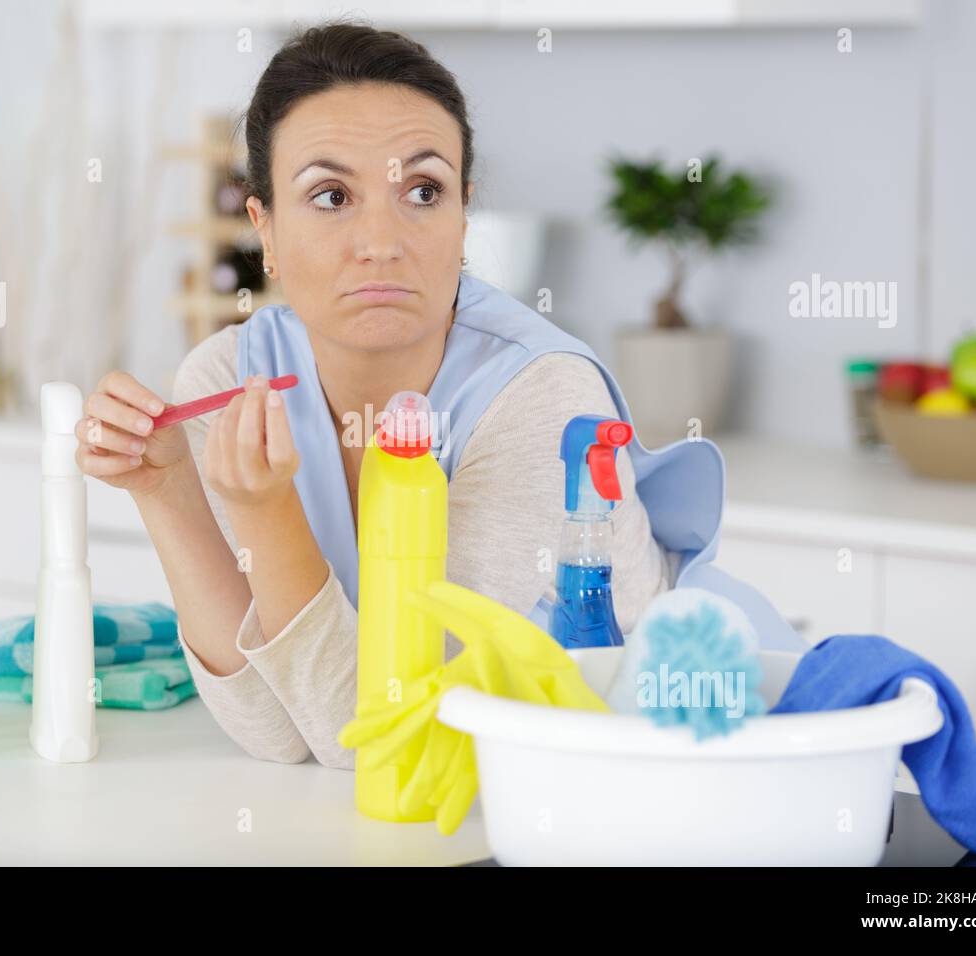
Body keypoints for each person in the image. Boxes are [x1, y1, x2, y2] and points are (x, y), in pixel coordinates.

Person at [74, 22, 789, 769]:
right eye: (330, 195)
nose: (381, 240)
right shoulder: (226, 381)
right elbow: (276, 735)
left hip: (660, 766)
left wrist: (266, 514)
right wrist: (168, 494)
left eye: (422, 190)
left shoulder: (543, 401)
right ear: (266, 230)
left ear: (463, 215)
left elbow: (396, 744)